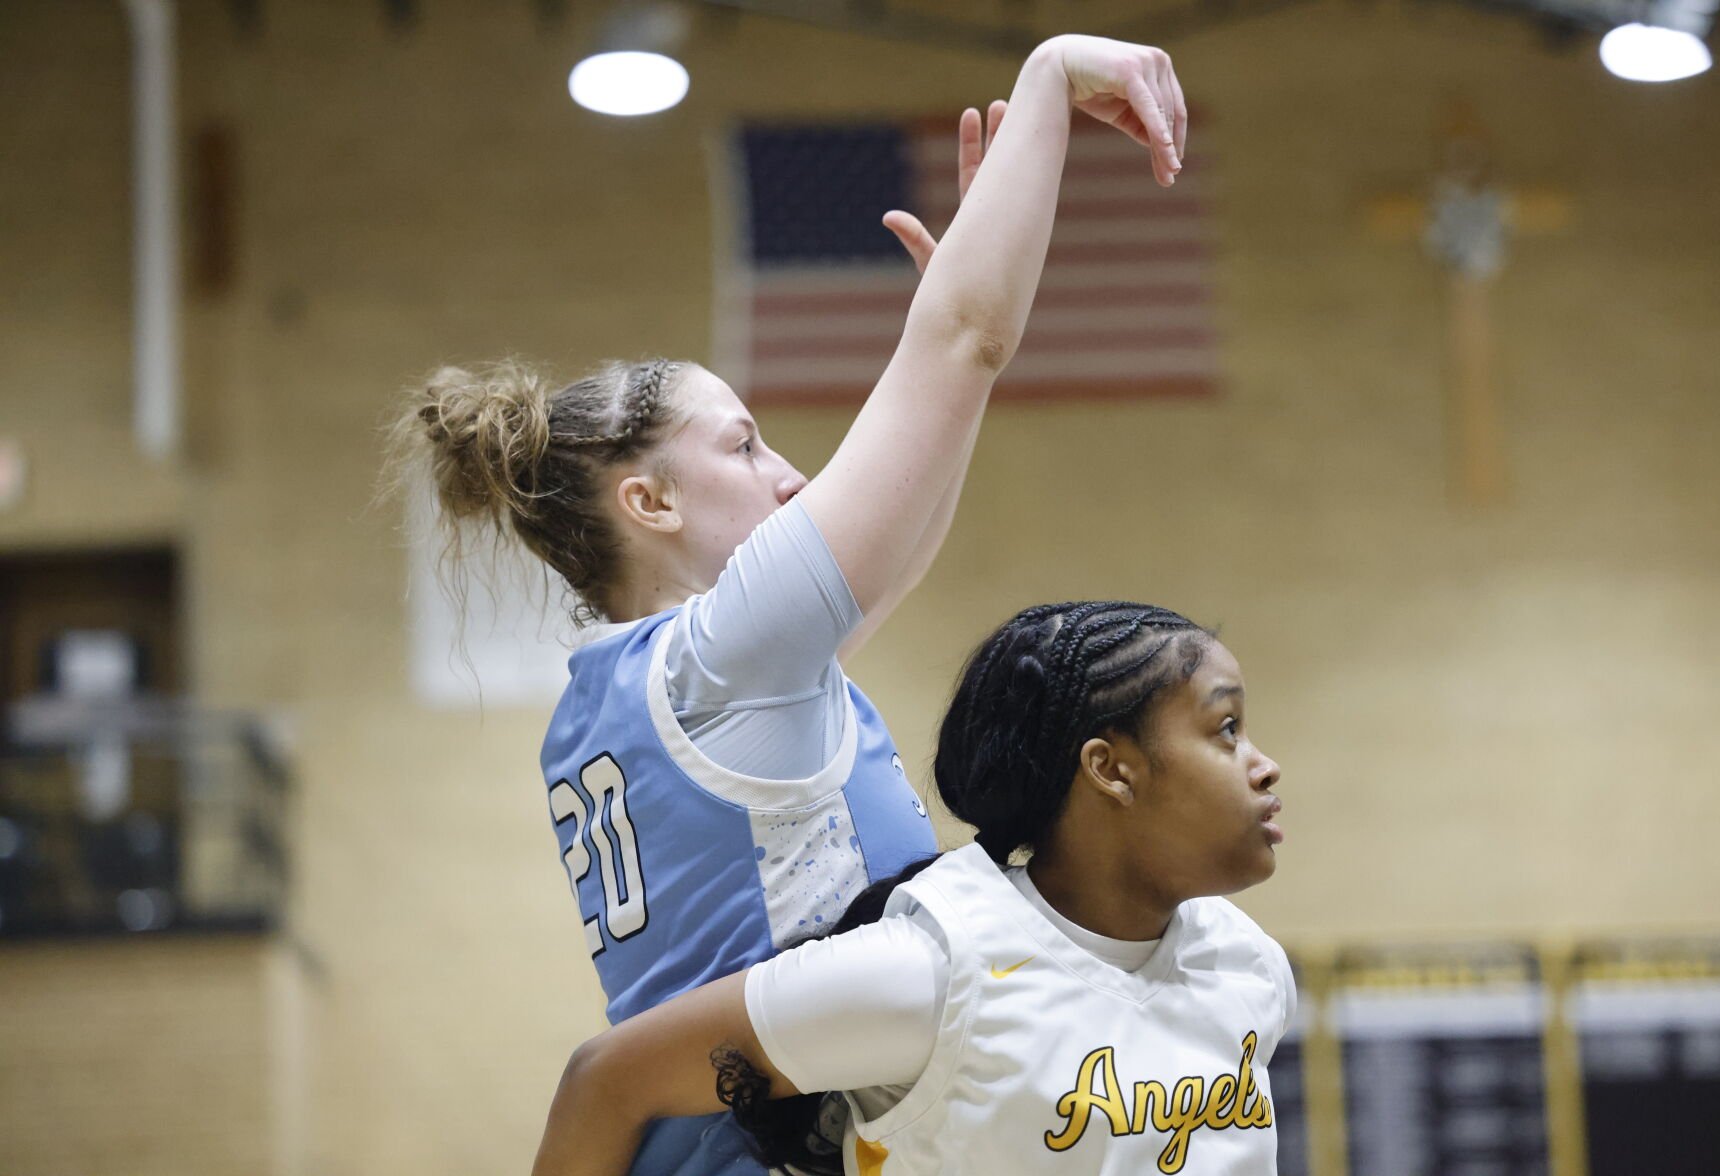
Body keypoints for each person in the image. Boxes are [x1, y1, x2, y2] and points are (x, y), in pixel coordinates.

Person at [398, 30, 1185, 1175]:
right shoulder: (726, 656)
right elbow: (962, 340)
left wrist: (964, 356)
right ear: (650, 501)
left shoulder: (629, 694)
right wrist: (1052, 73)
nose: (791, 476)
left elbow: (911, 511)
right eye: (743, 444)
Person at [533, 600, 1293, 1176]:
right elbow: (605, 1081)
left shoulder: (1246, 963)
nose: (1264, 767)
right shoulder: (934, 968)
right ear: (1111, 769)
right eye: (1227, 729)